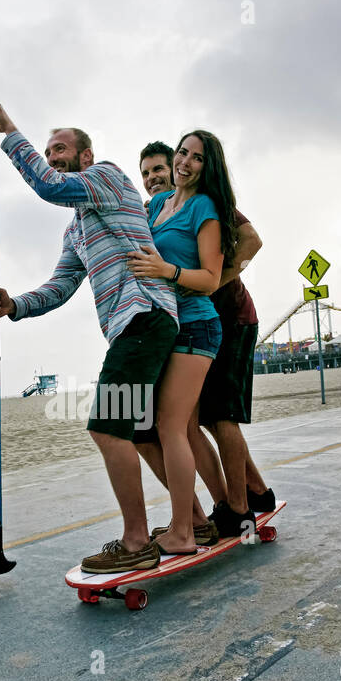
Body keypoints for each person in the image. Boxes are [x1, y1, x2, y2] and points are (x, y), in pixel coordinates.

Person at [0, 103, 185, 573]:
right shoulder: (76, 230)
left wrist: (9, 131)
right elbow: (60, 287)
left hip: (144, 313)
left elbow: (49, 187)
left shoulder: (108, 178)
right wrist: (14, 306)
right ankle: (192, 519)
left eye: (60, 149)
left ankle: (137, 542)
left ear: (86, 156)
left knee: (106, 426)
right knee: (142, 431)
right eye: (48, 151)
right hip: (131, 327)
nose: (52, 158)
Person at [134, 140, 276, 538]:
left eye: (158, 169)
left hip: (230, 318)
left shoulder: (203, 201)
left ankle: (239, 509)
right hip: (186, 325)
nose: (153, 178)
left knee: (219, 416)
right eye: (145, 174)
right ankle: (257, 493)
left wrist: (214, 283)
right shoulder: (158, 210)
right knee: (192, 421)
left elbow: (252, 242)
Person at [126, 131, 229, 553]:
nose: (186, 162)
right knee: (145, 427)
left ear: (208, 167)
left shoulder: (204, 207)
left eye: (196, 158)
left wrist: (166, 271)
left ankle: (183, 531)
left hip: (196, 326)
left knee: (171, 426)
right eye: (183, 152)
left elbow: (210, 278)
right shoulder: (158, 206)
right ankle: (193, 521)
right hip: (162, 328)